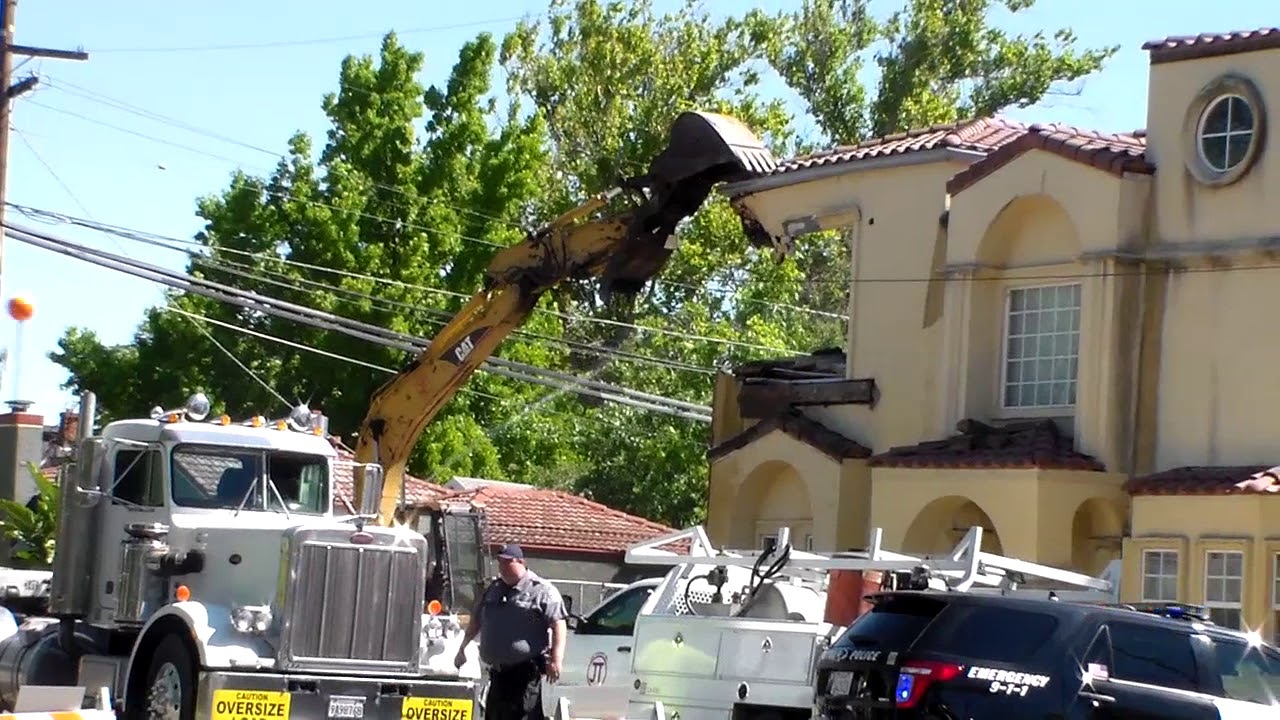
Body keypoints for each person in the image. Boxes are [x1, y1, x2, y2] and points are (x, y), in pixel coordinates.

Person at [455, 543, 567, 720]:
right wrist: (462, 648)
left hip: (524, 674)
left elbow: (558, 623)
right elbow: (477, 620)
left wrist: (556, 659)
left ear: (521, 562)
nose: (503, 568)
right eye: (500, 563)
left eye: (508, 563)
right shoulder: (494, 589)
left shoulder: (541, 590)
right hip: (498, 675)